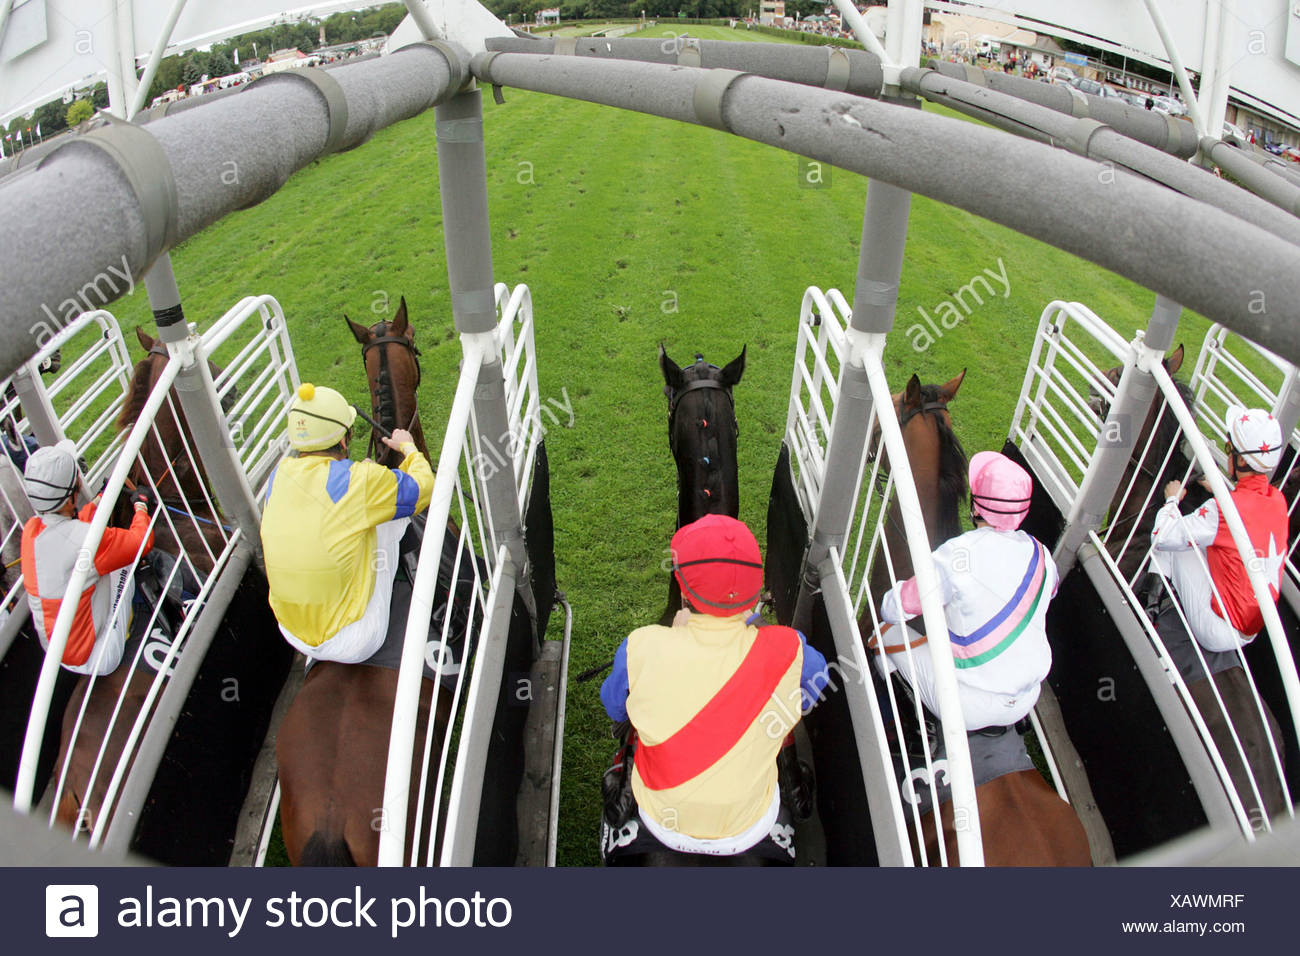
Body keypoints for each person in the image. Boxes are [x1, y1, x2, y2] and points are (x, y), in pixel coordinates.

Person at [600, 514, 828, 861]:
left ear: (683, 587)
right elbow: (815, 684)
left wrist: (676, 640)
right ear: (756, 586)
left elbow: (614, 706)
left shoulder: (642, 644)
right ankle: (796, 789)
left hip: (662, 820)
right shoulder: (789, 648)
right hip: (750, 826)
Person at [1150, 405, 1288, 817]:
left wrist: (1173, 502)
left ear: (1238, 458)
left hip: (1216, 628)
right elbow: (1246, 515)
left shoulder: (1219, 511)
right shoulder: (1278, 500)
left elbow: (1166, 534)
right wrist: (1221, 493)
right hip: (1253, 631)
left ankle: (1151, 599)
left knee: (1172, 544)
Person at [877, 451, 1059, 731]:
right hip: (1026, 699)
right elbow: (1051, 591)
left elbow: (893, 608)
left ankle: (915, 729)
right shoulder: (1042, 554)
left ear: (977, 508)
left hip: (967, 707)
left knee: (883, 633)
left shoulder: (957, 553)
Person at [261, 382, 434, 664]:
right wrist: (409, 448)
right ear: (344, 439)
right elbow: (423, 488)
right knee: (389, 519)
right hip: (355, 641)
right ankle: (430, 589)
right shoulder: (361, 479)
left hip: (292, 633)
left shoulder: (277, 475)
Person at [20, 440, 154, 676]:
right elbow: (142, 542)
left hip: (57, 657)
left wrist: (101, 498)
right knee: (124, 566)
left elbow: (69, 532)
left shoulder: (31, 531)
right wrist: (142, 508)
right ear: (71, 497)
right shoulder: (86, 540)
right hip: (99, 655)